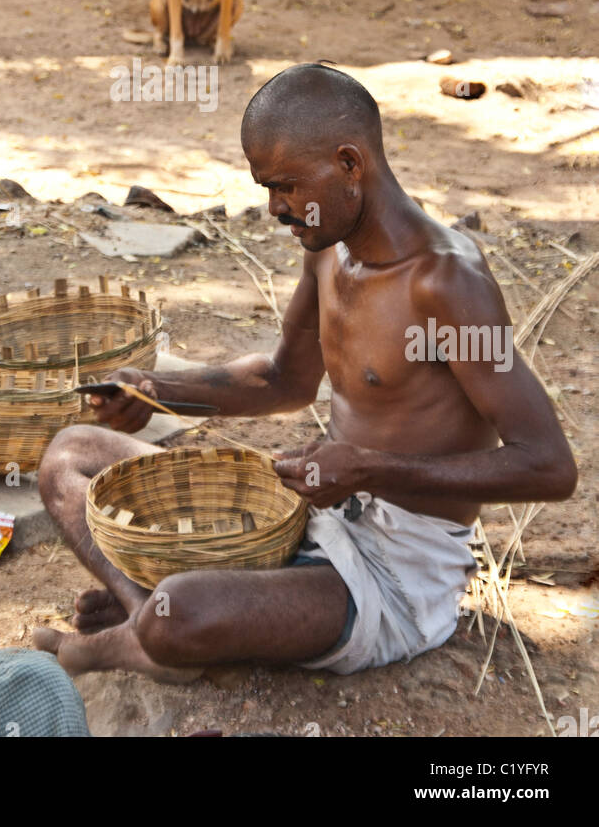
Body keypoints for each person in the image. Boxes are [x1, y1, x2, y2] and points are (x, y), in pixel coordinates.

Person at [33, 64, 577, 680]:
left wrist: (369, 467)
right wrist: (159, 392)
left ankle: (139, 637)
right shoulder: (327, 251)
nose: (274, 208)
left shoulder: (446, 282)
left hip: (395, 567)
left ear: (350, 164)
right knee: (68, 457)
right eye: (267, 187)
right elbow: (283, 381)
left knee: (180, 611)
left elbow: (550, 465)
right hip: (310, 513)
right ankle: (148, 628)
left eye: (286, 185)